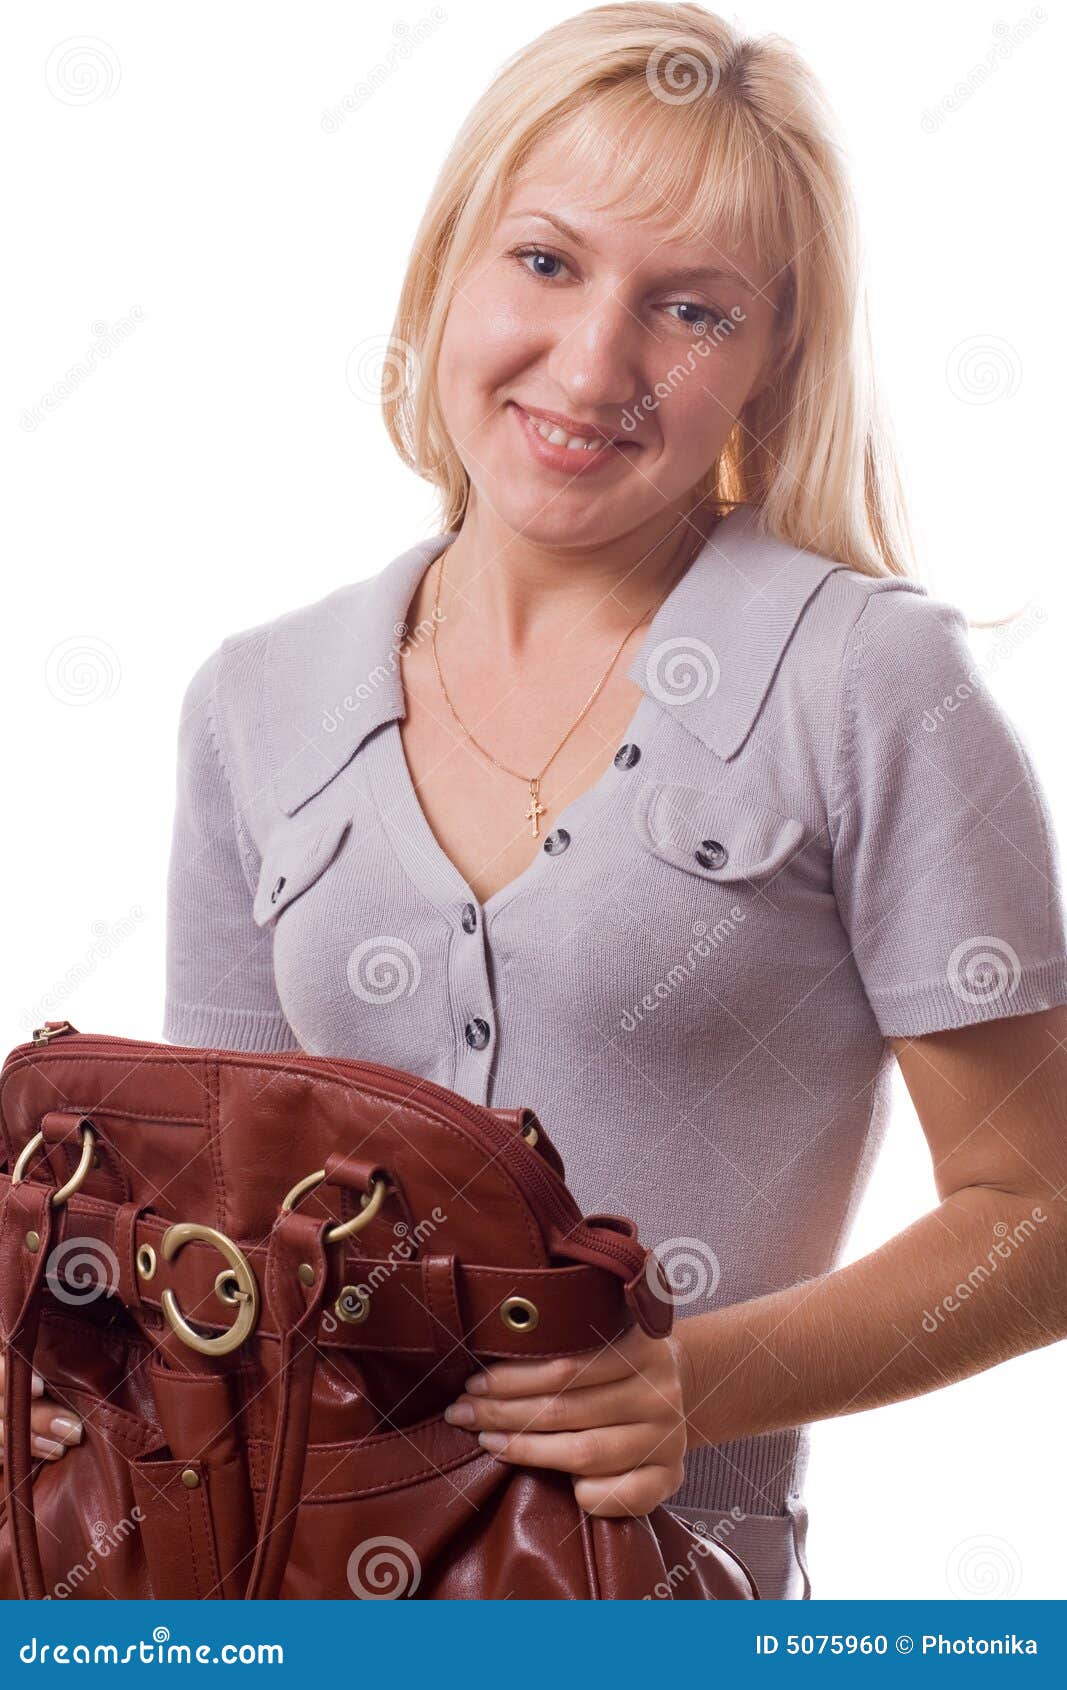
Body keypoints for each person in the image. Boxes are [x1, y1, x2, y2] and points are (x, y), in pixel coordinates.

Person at [9, 4, 1067, 1601]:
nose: (593, 363)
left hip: (660, 1607)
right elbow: (207, 1234)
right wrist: (74, 1375)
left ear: (771, 364)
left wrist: (682, 1379)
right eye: (549, 263)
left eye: (691, 308)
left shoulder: (866, 681)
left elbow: (1037, 1210)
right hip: (277, 1601)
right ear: (447, 266)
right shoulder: (255, 701)